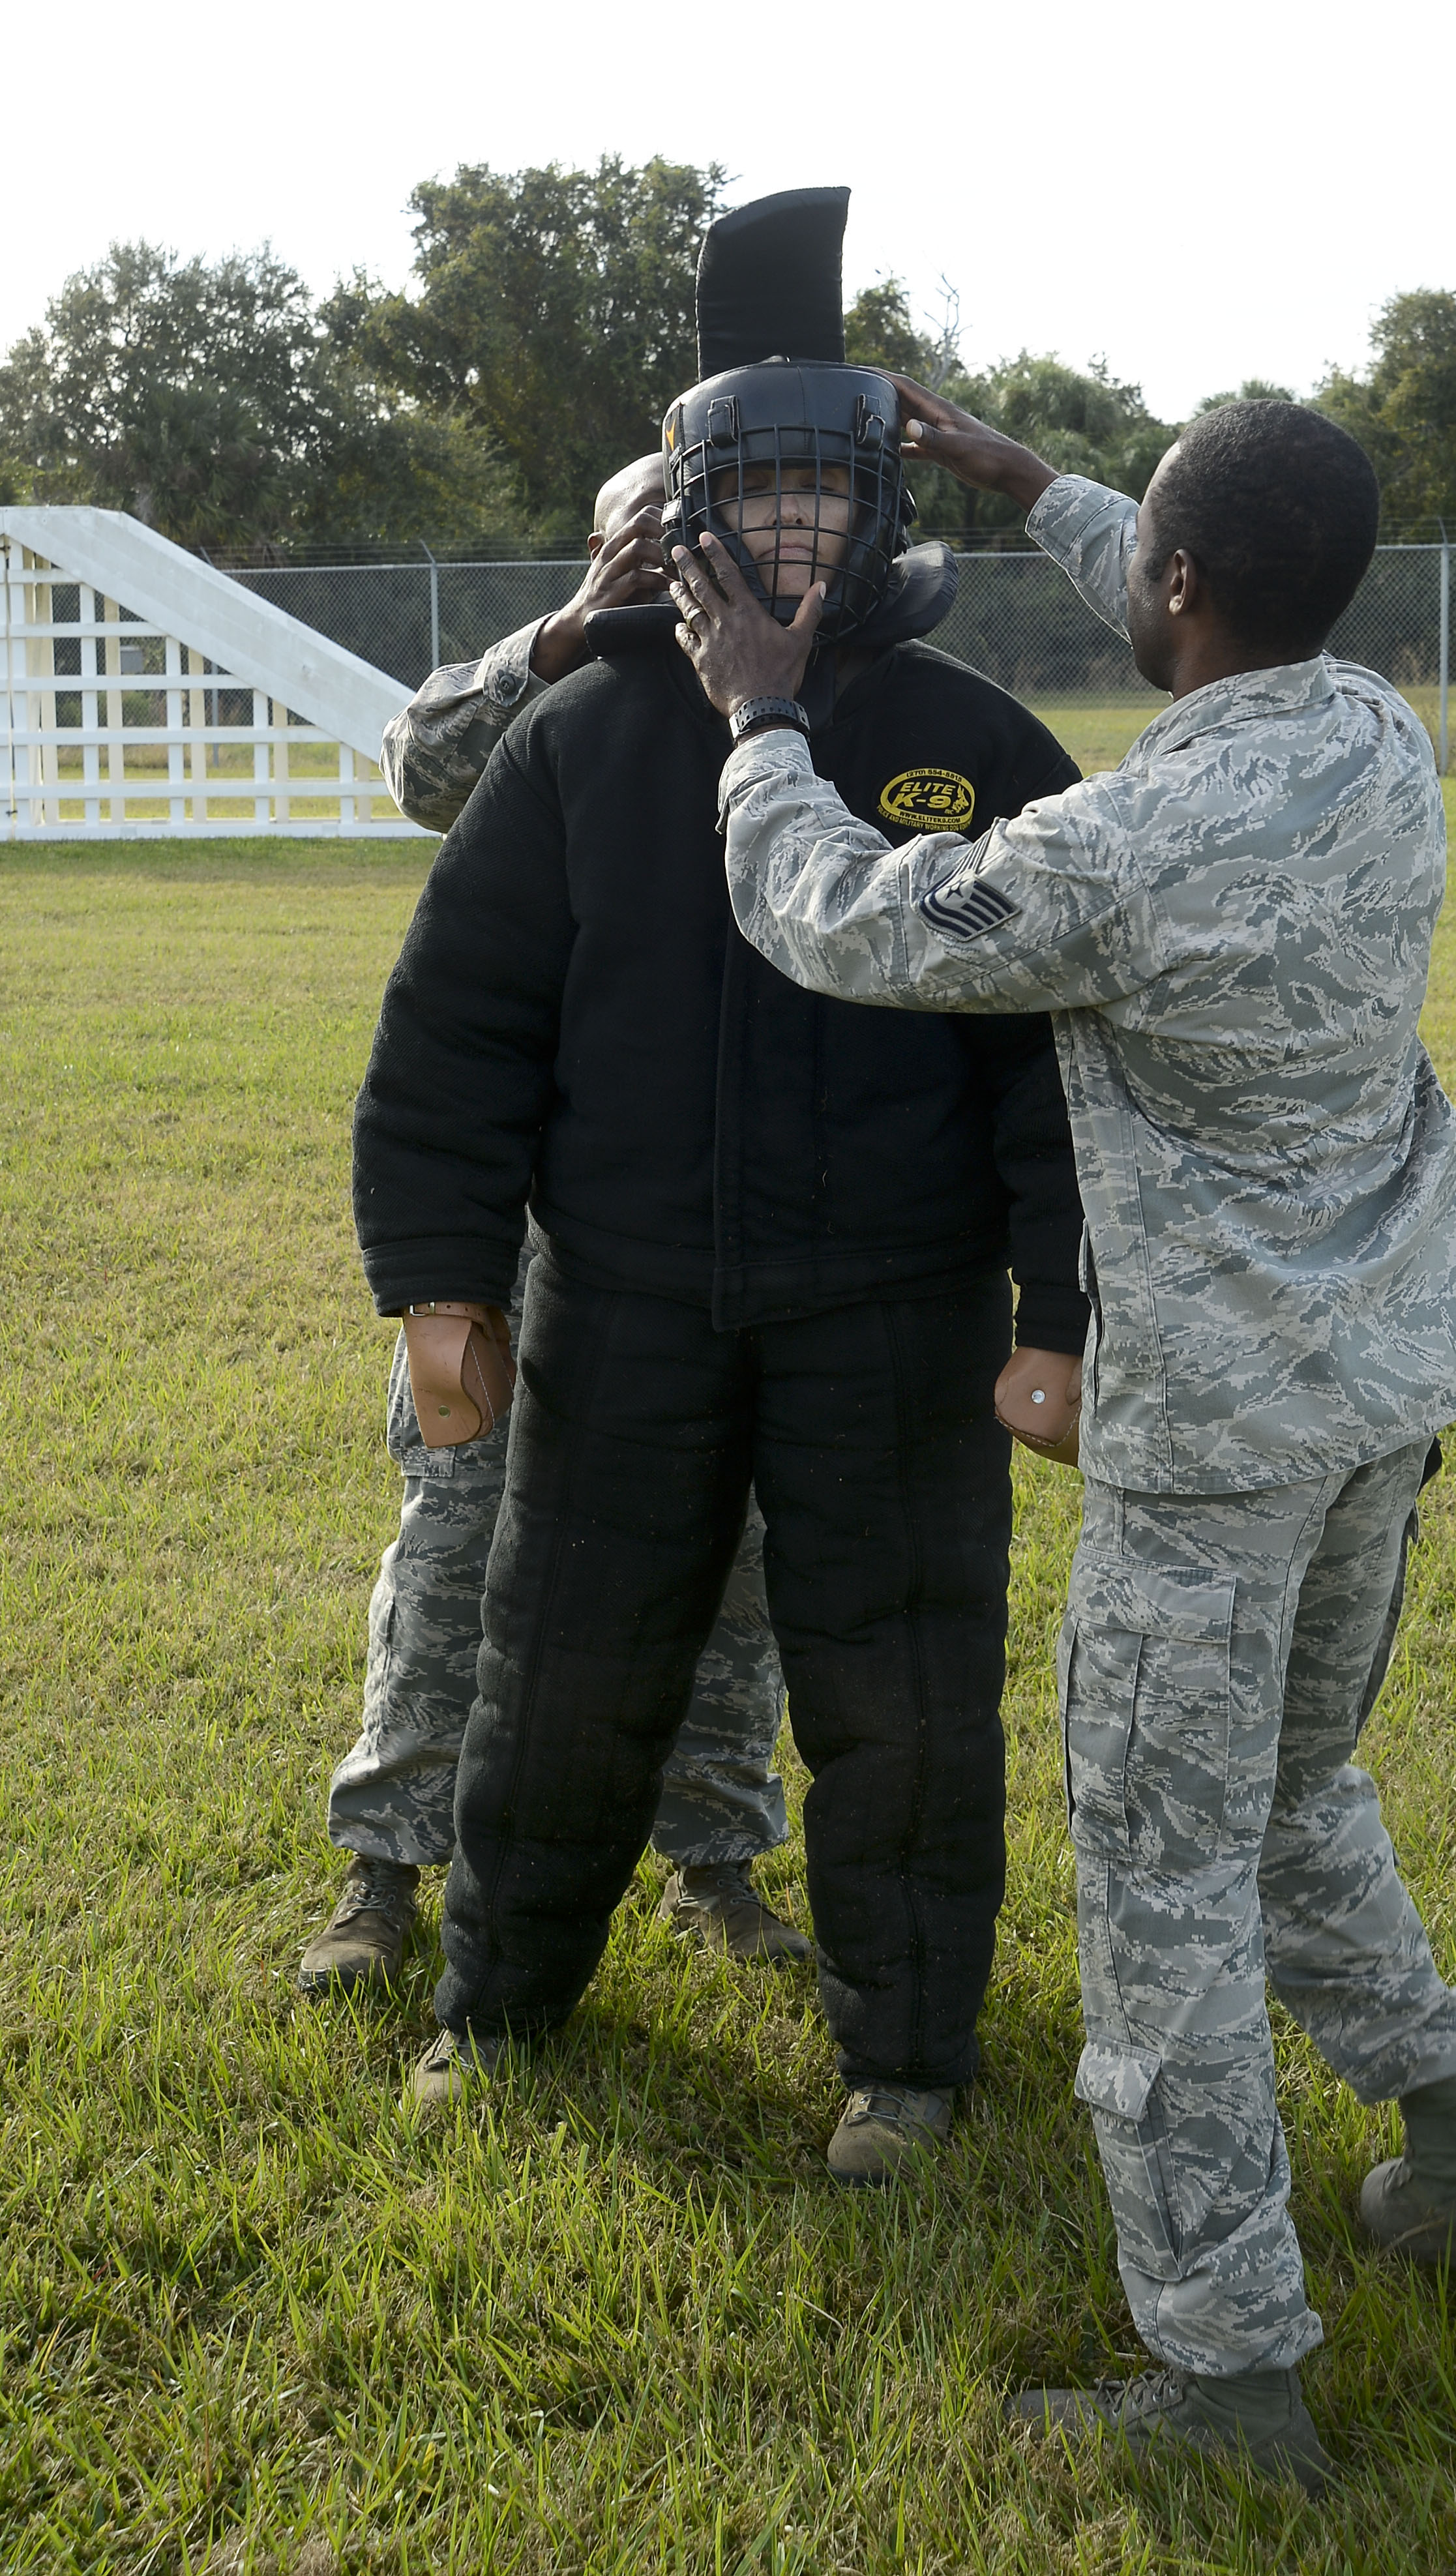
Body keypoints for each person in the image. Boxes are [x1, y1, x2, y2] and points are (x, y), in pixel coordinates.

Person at [670, 387, 1456, 2484]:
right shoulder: (1368, 734)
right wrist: (1020, 477)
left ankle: (1225, 2380)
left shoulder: (1125, 846)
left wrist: (756, 714)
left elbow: (844, 920)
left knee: (1159, 1889)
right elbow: (1194, 596)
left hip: (1214, 1442)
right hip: (1382, 1394)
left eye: (1136, 556)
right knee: (1287, 1794)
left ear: (1178, 584)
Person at [349, 188, 1092, 2181]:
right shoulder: (582, 739)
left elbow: (1051, 1066)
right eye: (747, 503)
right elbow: (457, 1031)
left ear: (874, 507)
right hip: (627, 1304)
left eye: (819, 501)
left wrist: (1055, 1320)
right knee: (558, 1673)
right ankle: (497, 2007)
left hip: (891, 1321)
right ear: (681, 515)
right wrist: (443, 1284)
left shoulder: (973, 747)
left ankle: (908, 2070)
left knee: (902, 1694)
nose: (787, 538)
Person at [297, 456, 813, 1999]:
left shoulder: (790, 701)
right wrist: (570, 628)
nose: (678, 571)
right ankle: (385, 1867)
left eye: (695, 540)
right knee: (457, 1543)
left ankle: (710, 1857)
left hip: (711, 1218)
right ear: (595, 552)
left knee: (731, 1548)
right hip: (521, 1225)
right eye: (641, 543)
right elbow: (417, 767)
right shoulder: (555, 699)